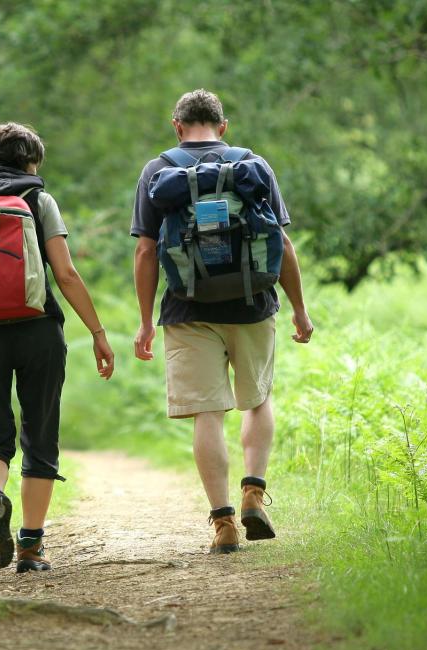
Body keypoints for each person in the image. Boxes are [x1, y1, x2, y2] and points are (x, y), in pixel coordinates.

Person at [130, 89, 314, 554]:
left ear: (177, 126)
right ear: (223, 126)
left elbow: (146, 250)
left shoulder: (159, 170)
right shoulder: (253, 165)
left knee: (207, 413)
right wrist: (299, 308)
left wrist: (146, 321)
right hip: (253, 304)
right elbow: (282, 244)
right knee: (257, 399)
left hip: (188, 310)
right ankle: (253, 491)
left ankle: (224, 523)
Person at [0, 122, 115, 573]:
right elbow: (67, 274)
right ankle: (30, 547)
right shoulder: (39, 200)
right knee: (40, 432)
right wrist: (97, 331)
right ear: (30, 161)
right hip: (38, 330)